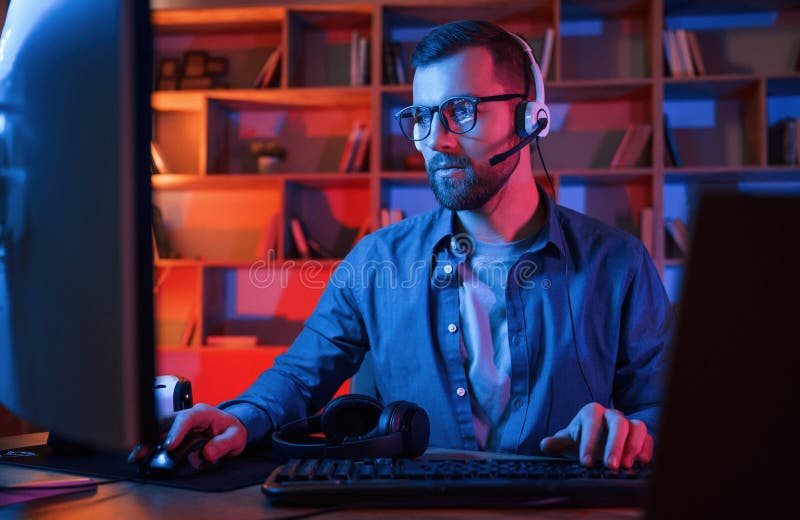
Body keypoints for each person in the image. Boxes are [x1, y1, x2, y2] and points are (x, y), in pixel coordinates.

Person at [132, 20, 672, 470]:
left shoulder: (619, 265)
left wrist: (634, 431)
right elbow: (300, 375)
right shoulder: (375, 262)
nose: (436, 140)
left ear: (530, 117)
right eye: (422, 116)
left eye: (462, 110)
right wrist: (240, 418)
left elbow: (663, 409)